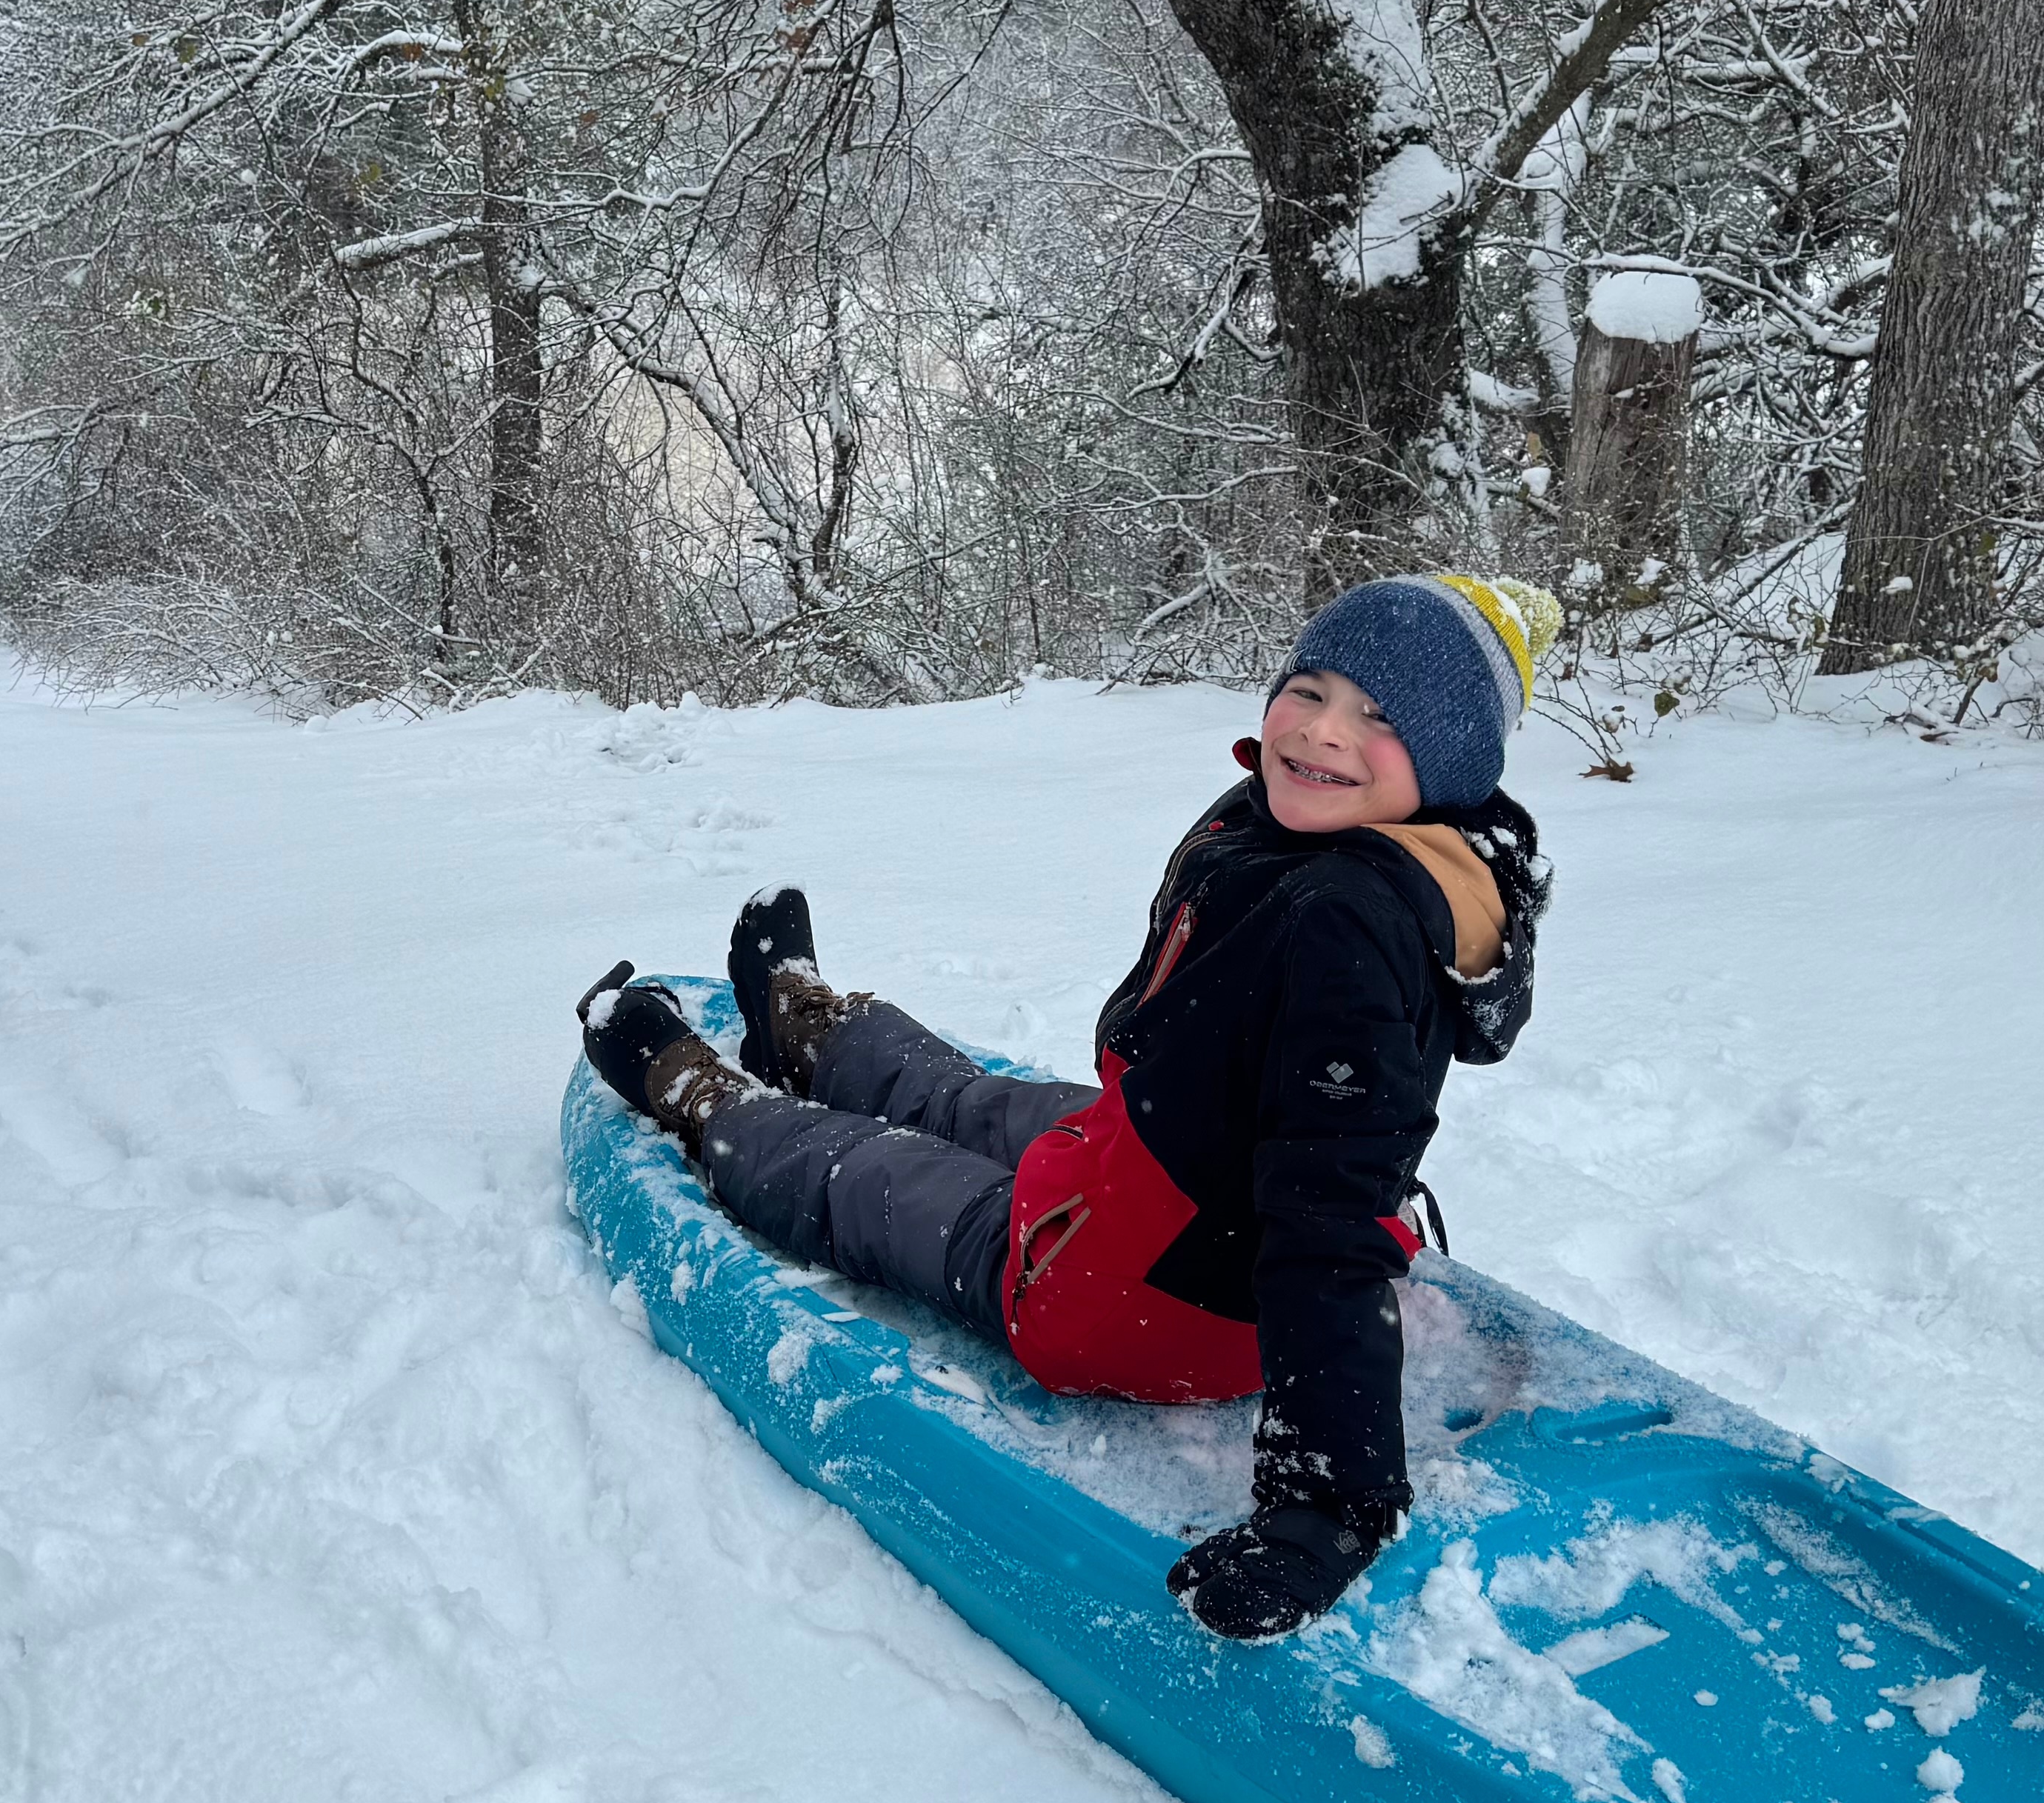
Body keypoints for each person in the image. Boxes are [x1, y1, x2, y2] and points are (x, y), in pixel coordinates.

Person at [579, 573, 1555, 1642]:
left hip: (1132, 1298)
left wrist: (1329, 1505)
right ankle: (812, 1030)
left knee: (868, 1175)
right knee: (971, 1100)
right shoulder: (1332, 833)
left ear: (1449, 765)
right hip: (1155, 1160)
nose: (1323, 732)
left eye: (1381, 718)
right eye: (1310, 689)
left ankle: (701, 1095)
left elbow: (1330, 1220)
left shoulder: (1352, 930)